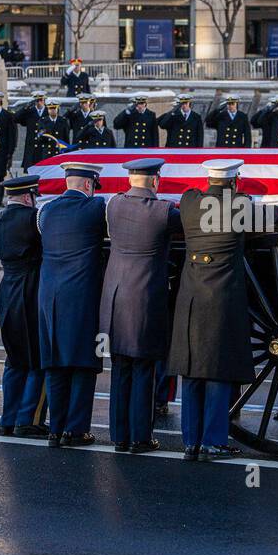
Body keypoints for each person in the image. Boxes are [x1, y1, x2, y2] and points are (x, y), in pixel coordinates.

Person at [167, 159, 266, 461]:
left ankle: (190, 442)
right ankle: (212, 441)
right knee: (217, 372)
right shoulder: (240, 206)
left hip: (191, 297)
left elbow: (188, 197)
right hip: (222, 300)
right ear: (235, 181)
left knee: (193, 369)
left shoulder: (189, 202)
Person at [100, 157, 183, 454]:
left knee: (121, 367)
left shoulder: (114, 205)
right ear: (155, 180)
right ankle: (140, 438)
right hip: (144, 300)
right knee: (144, 370)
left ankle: (119, 436)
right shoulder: (164, 212)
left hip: (115, 298)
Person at [37, 162, 107, 447]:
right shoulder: (94, 208)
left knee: (55, 362)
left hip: (50, 297)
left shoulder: (47, 212)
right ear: (89, 184)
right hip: (81, 299)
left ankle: (56, 428)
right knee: (83, 363)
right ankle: (75, 430)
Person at [0, 174, 48, 438]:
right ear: (28, 196)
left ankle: (8, 418)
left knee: (14, 358)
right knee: (37, 357)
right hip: (30, 289)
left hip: (6, 291)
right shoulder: (33, 219)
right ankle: (28, 419)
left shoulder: (0, 219)